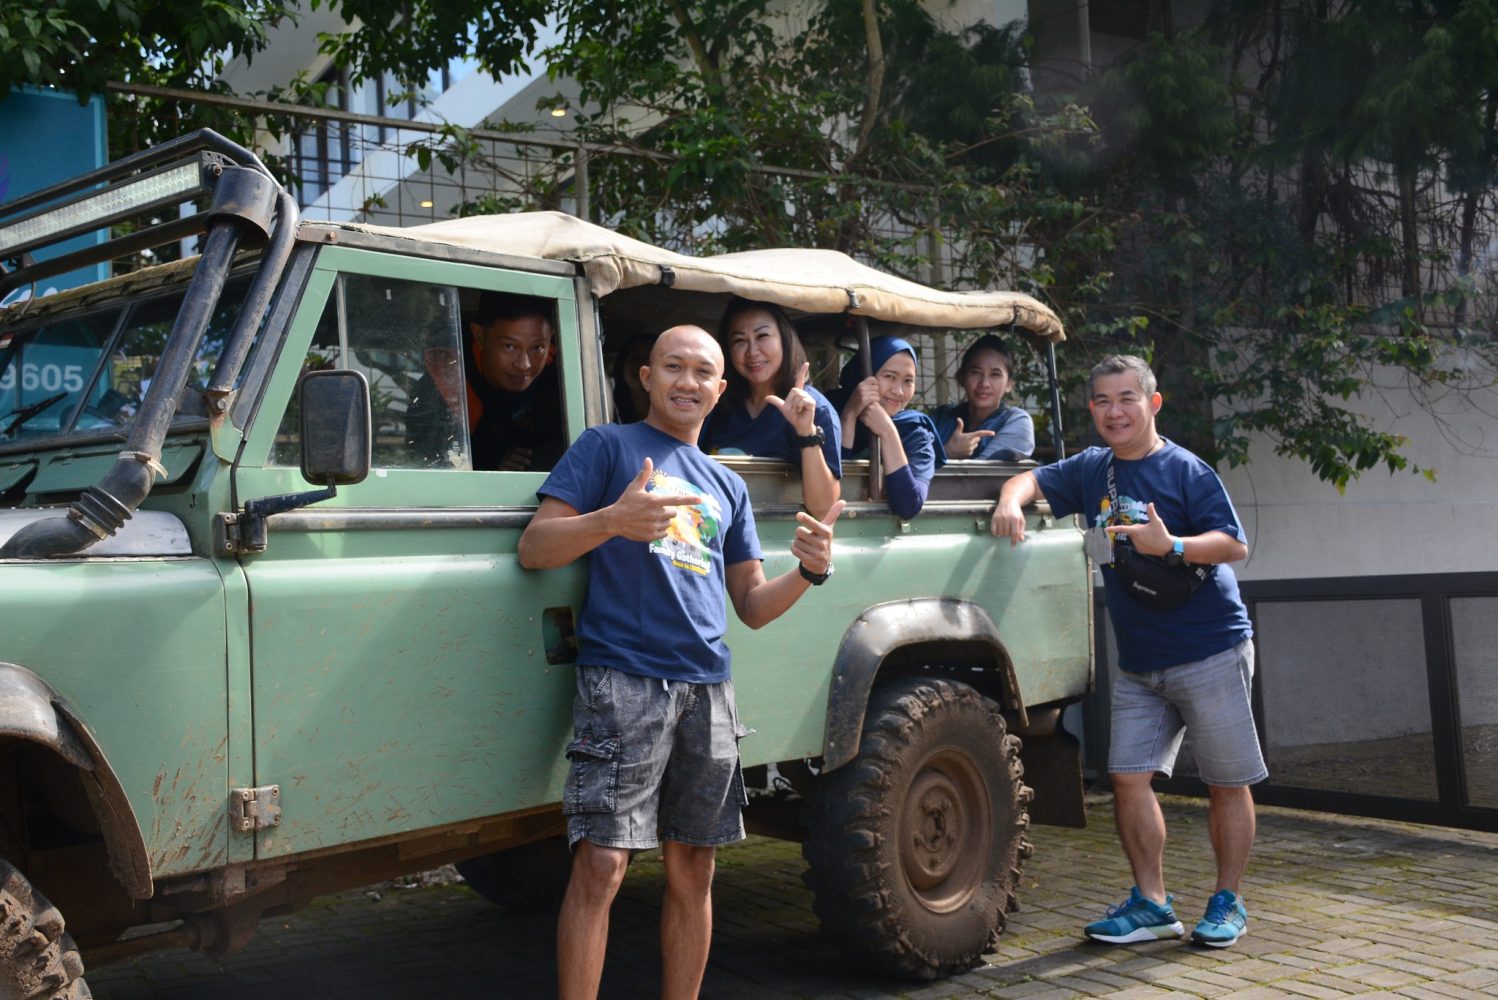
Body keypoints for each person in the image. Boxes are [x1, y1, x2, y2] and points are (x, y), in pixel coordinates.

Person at [518, 324, 843, 1000]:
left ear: (720, 389)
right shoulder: (607, 447)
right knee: (602, 864)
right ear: (647, 374)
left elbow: (751, 603)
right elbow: (536, 547)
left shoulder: (726, 483)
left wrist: (808, 574)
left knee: (694, 867)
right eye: (673, 367)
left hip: (709, 691)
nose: (687, 382)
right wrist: (611, 520)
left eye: (703, 372)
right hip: (623, 681)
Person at [990, 354, 1262, 949]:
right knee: (1127, 778)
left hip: (1210, 645)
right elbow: (1031, 478)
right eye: (1103, 401)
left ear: (1152, 403)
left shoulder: (1187, 470)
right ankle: (1152, 903)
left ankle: (1228, 900)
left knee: (1225, 780)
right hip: (1140, 659)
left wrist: (1175, 544)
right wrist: (1011, 500)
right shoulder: (1093, 469)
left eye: (1127, 399)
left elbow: (1234, 545)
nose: (1114, 411)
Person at [698, 297, 842, 520]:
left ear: (785, 339)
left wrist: (806, 433)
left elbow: (823, 508)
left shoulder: (812, 408)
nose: (752, 351)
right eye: (739, 341)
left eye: (762, 336)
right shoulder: (719, 404)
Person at [405, 290, 564, 471]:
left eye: (537, 347)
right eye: (509, 346)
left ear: (550, 337)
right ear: (479, 336)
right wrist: (493, 466)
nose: (524, 365)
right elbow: (433, 465)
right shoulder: (445, 385)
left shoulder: (565, 374)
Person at [830, 335, 946, 520]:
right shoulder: (828, 411)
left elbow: (908, 506)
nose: (899, 391)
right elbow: (832, 488)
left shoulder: (915, 433)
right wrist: (849, 416)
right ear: (864, 376)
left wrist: (888, 431)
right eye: (889, 377)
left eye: (908, 381)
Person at [932, 334, 1035, 461]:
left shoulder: (1016, 421)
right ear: (961, 378)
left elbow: (982, 475)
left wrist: (942, 456)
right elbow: (913, 466)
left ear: (1009, 384)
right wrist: (948, 451)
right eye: (976, 372)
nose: (984, 383)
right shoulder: (943, 417)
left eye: (995, 374)